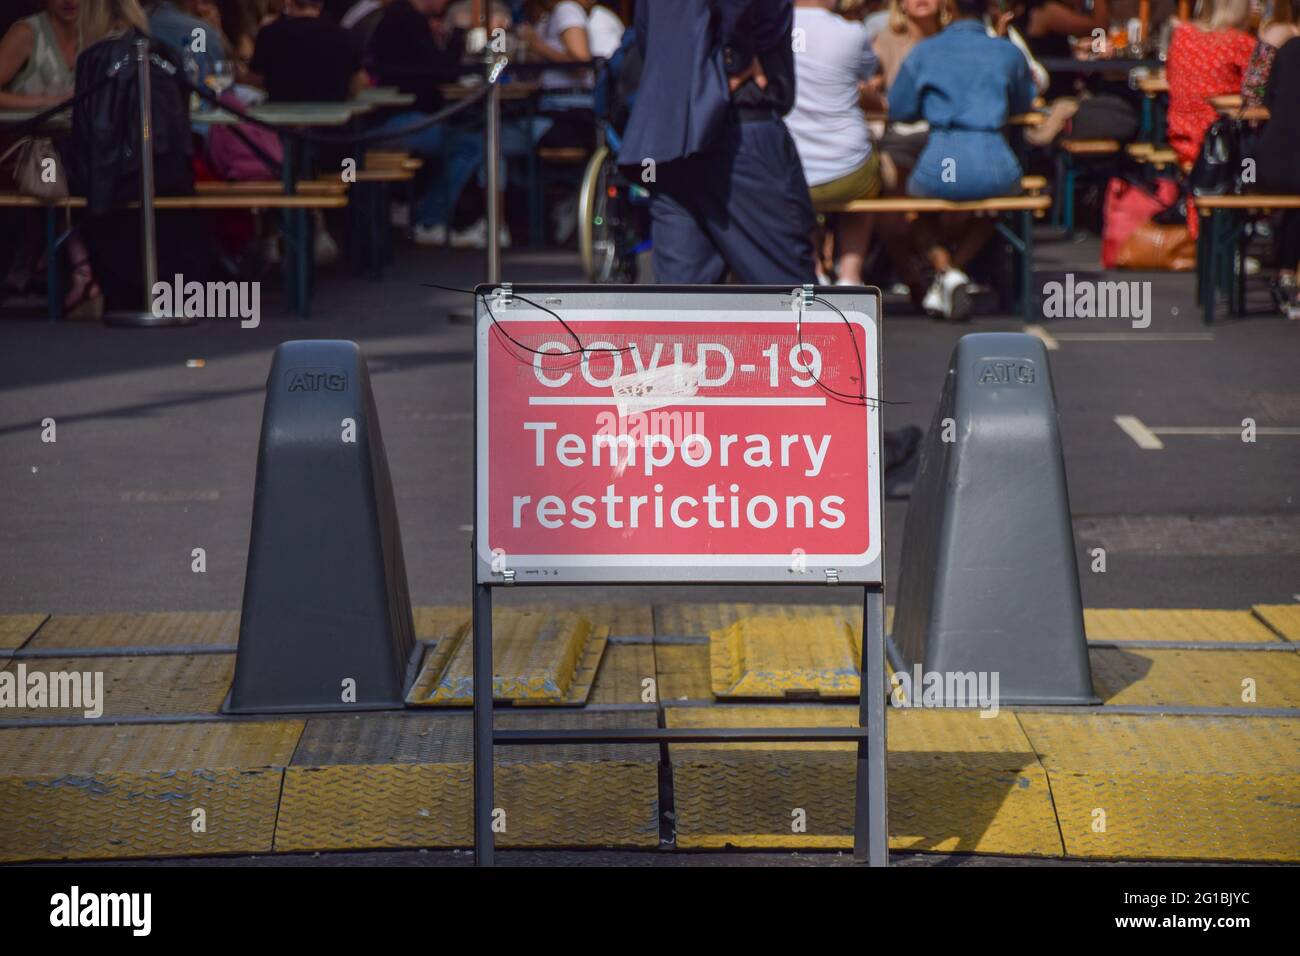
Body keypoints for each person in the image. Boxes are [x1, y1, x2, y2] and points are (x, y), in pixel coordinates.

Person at [617, 0, 814, 284]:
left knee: (684, 308)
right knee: (796, 302)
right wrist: (735, 58)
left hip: (671, 130)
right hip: (732, 128)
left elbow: (645, 28)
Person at [886, 0, 1035, 318]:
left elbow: (899, 109)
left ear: (949, 8)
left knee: (914, 209)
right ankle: (954, 271)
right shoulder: (1008, 52)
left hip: (943, 162)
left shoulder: (926, 51)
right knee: (994, 207)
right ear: (990, 11)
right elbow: (1024, 104)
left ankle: (946, 271)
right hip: (995, 163)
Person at [366, 0, 506, 247]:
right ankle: (429, 218)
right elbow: (443, 71)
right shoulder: (408, 20)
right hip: (400, 121)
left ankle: (419, 211)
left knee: (467, 140)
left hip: (397, 118)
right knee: (474, 145)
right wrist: (458, 34)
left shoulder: (397, 17)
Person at [785, 0, 882, 284]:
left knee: (796, 199)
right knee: (869, 187)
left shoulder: (770, 27)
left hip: (789, 170)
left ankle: (813, 270)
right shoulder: (852, 32)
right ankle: (850, 275)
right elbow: (870, 72)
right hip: (849, 169)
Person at [1166, 0, 1254, 169]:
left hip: (1180, 137)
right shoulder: (1241, 42)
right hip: (1221, 142)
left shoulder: (1182, 34)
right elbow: (1259, 92)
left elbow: (1169, 78)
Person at [1252, 30, 1300, 316]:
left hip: (1270, 161)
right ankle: (1286, 272)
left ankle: (1284, 271)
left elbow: (1257, 95)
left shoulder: (1284, 43)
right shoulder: (1278, 38)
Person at [248, 0, 364, 102]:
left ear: (289, 3)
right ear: (320, 5)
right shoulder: (345, 35)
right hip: (332, 122)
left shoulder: (269, 33)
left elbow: (255, 80)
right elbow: (357, 84)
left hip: (280, 121)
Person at [1242, 0, 1297, 108]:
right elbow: (1254, 90)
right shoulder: (1283, 31)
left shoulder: (1277, 31)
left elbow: (1252, 90)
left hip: (1275, 114)